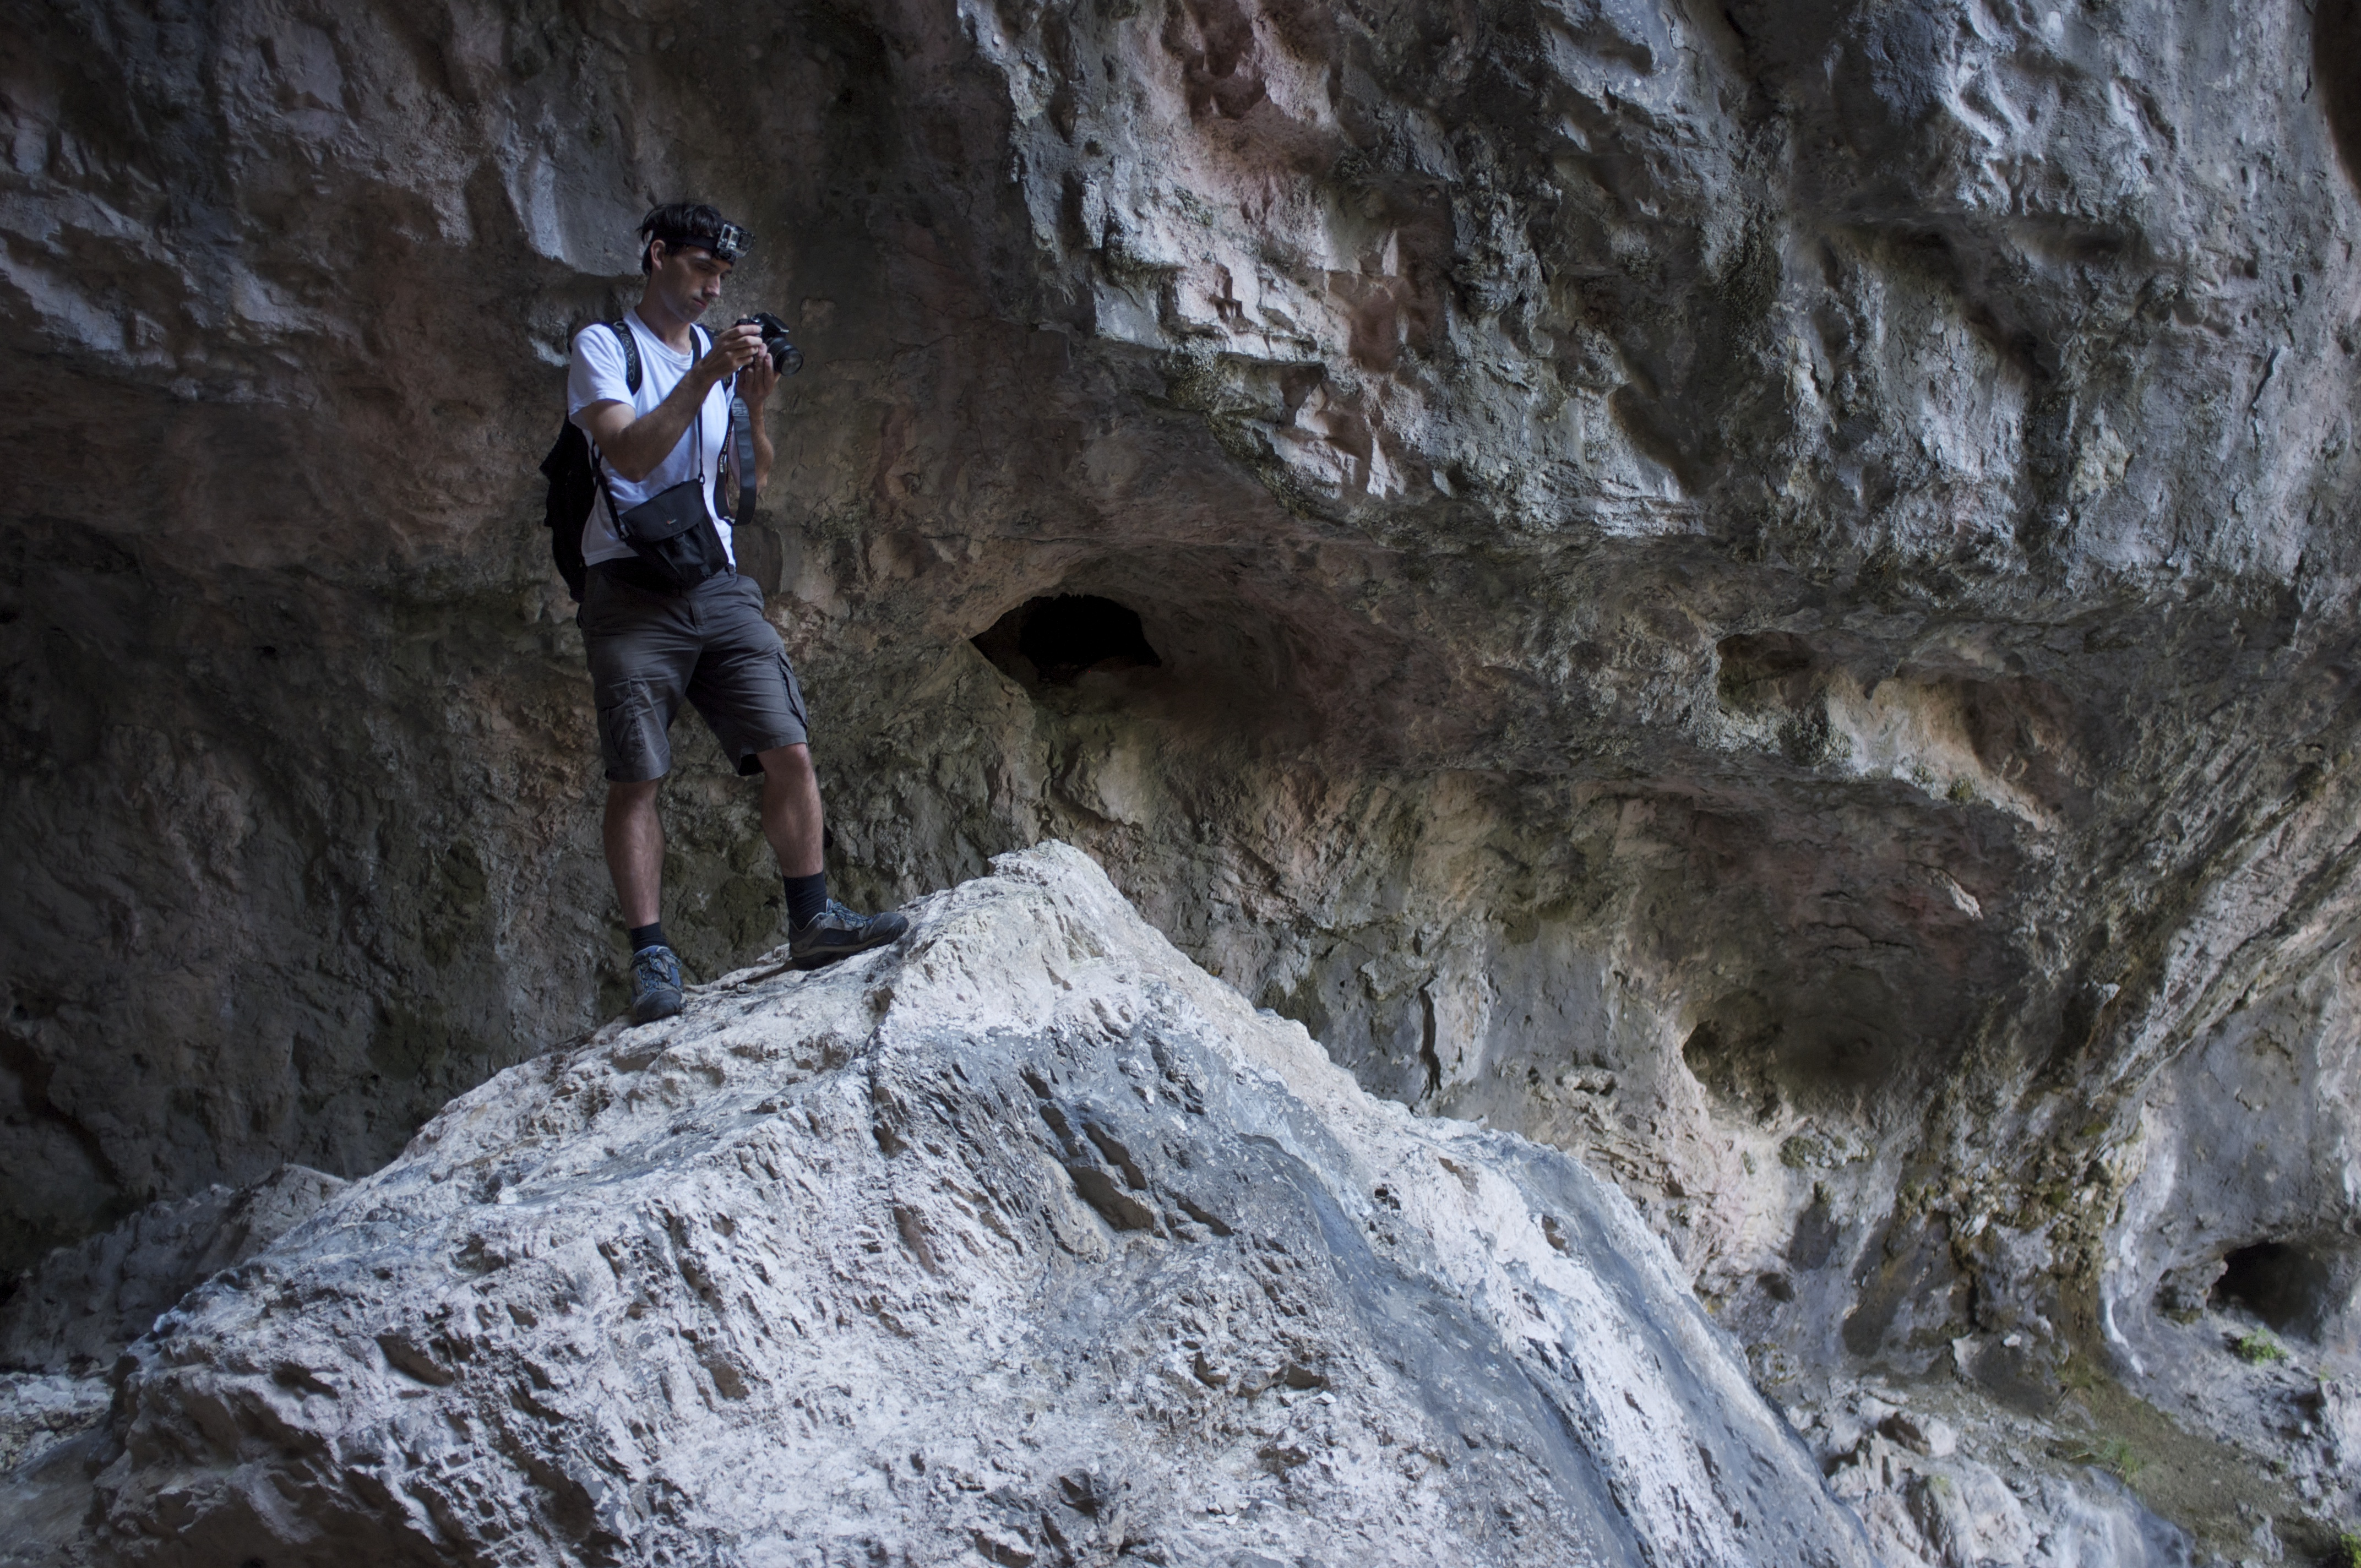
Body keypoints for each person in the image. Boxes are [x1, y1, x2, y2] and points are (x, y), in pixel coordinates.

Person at [567, 202, 905, 1023]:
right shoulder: (604, 348)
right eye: (698, 270)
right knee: (638, 772)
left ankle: (813, 919)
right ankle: (652, 960)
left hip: (715, 581)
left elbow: (748, 486)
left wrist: (753, 407)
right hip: (629, 586)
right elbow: (631, 451)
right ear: (656, 257)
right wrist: (704, 374)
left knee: (788, 744)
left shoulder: (712, 366)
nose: (712, 290)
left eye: (722, 278)